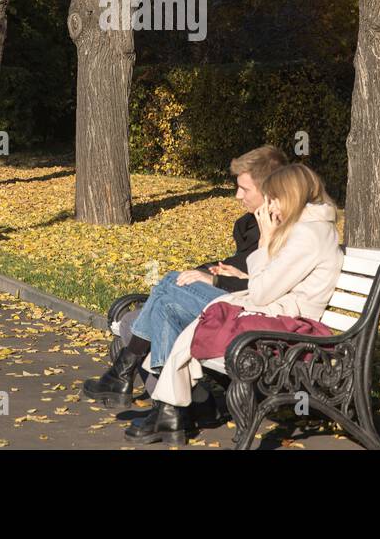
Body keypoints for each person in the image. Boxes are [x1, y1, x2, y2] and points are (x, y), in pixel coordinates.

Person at [125, 162, 343, 445]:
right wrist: (248, 269)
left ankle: (136, 379)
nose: (268, 205)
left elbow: (263, 291)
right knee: (168, 302)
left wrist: (265, 240)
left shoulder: (308, 235)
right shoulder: (308, 228)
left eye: (273, 198)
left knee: (170, 285)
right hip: (271, 309)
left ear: (290, 196)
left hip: (283, 324)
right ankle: (168, 409)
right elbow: (268, 282)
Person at [82, 145, 288, 408]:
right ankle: (174, 406)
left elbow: (262, 285)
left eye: (244, 189)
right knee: (146, 312)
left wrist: (214, 279)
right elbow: (241, 267)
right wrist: (208, 272)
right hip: (231, 301)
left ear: (269, 190)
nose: (237, 196)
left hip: (248, 313)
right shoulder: (251, 223)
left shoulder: (282, 227)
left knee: (145, 311)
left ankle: (160, 397)